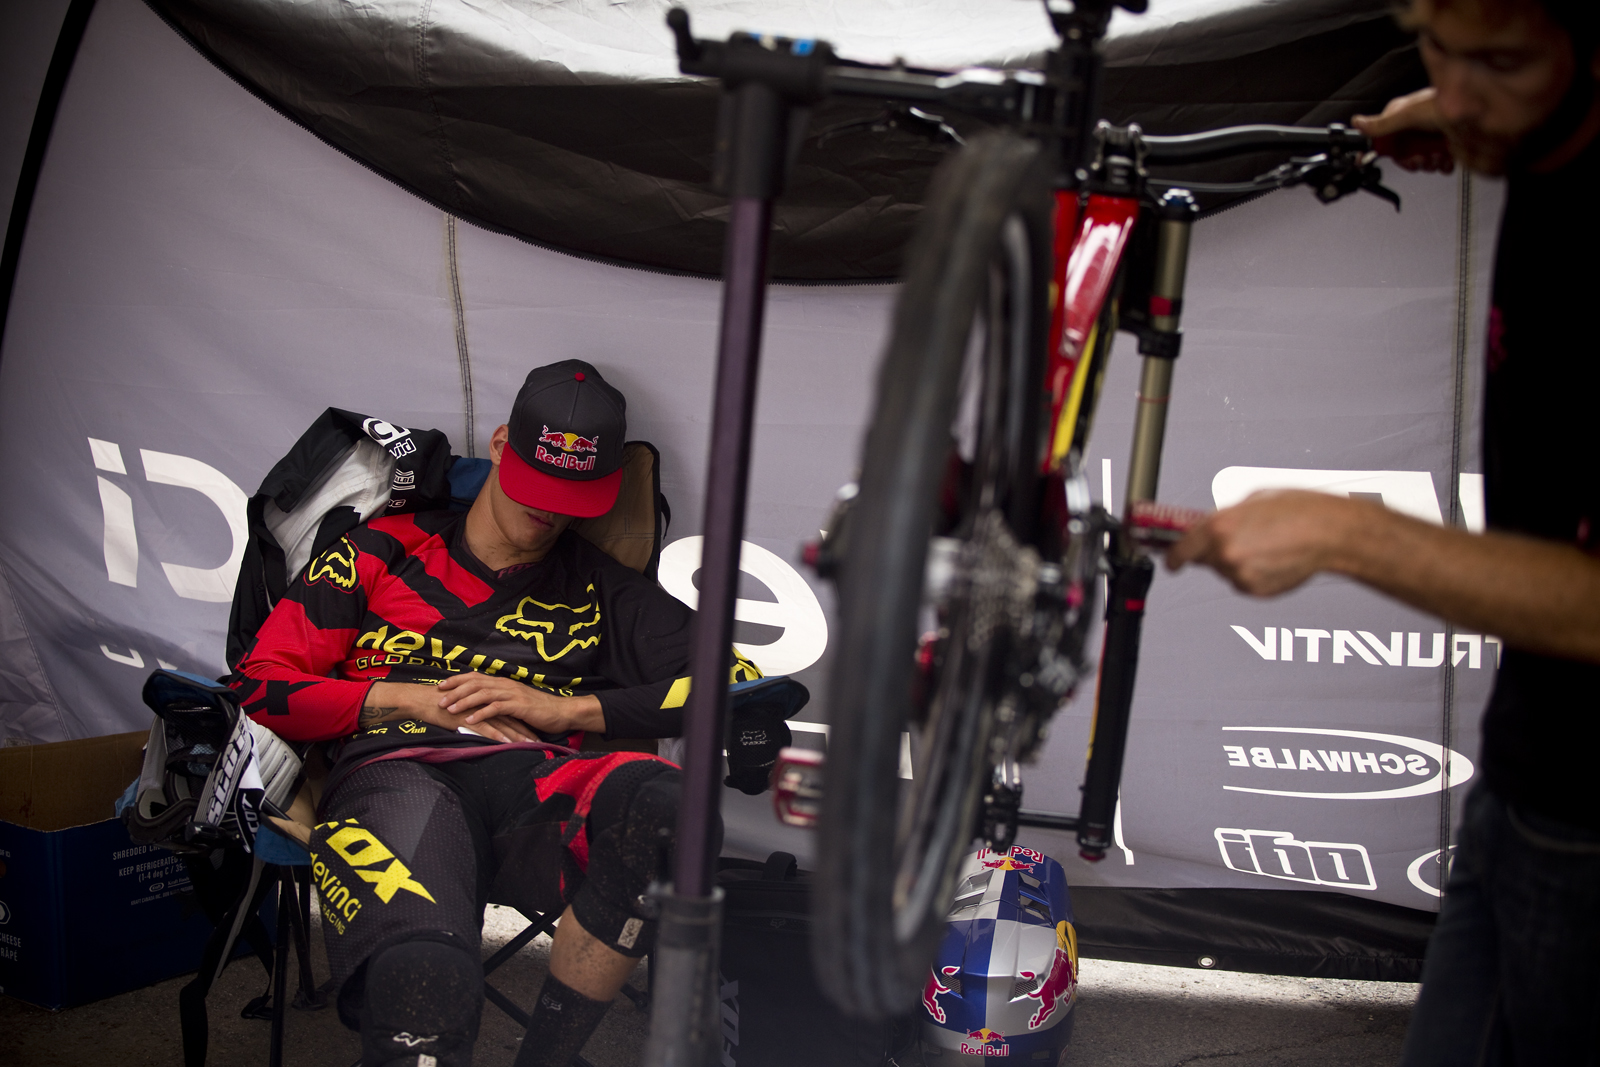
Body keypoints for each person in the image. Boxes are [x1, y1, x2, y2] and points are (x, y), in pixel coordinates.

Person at [1167, 0, 1600, 1061]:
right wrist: (1460, 104)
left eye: (1499, 61)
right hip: (1529, 763)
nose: (1457, 92)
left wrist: (1349, 536)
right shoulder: (1533, 127)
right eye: (1435, 50)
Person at [230, 359, 760, 1067]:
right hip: (400, 772)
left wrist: (564, 706)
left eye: (576, 495)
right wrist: (400, 695)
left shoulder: (604, 588)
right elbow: (261, 685)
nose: (551, 510)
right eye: (540, 485)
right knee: (428, 983)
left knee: (670, 810)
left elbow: (739, 684)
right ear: (505, 444)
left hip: (538, 791)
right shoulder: (380, 550)